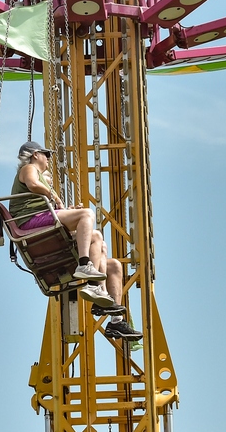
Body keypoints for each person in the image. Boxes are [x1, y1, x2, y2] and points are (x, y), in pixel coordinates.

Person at [10, 141, 142, 341]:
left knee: (110, 259)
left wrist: (66, 209)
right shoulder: (30, 168)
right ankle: (84, 266)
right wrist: (54, 196)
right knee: (86, 214)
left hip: (43, 221)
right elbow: (33, 184)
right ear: (35, 154)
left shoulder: (40, 175)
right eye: (46, 154)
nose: (48, 159)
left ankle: (114, 318)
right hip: (31, 222)